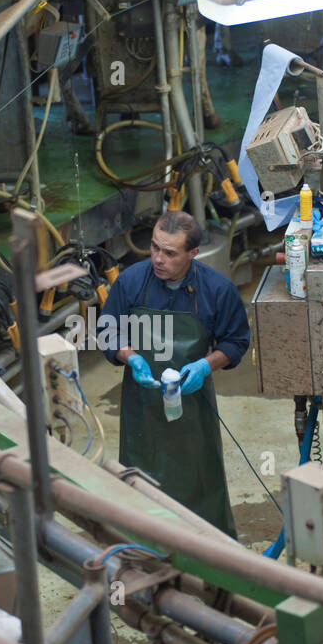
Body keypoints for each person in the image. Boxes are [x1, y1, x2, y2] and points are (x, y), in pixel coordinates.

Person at [98, 211, 249, 538]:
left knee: (200, 482)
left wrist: (205, 365)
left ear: (192, 253)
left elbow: (236, 341)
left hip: (193, 408)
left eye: (170, 253)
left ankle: (211, 556)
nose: (158, 259)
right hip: (142, 409)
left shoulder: (216, 290)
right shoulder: (131, 282)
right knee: (141, 485)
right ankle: (146, 551)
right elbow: (107, 333)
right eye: (154, 248)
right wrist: (132, 357)